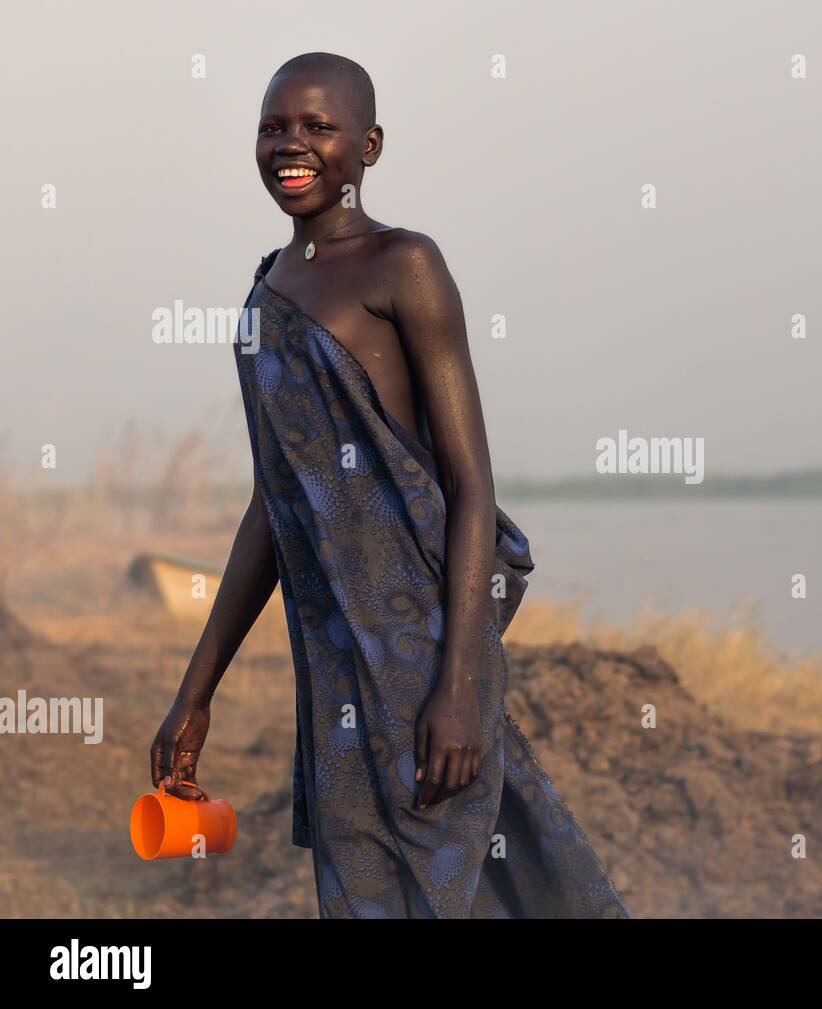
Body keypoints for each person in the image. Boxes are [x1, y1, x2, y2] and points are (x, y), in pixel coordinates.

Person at [149, 52, 629, 918]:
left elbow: (470, 481)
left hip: (426, 640)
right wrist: (195, 693)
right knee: (370, 886)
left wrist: (460, 686)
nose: (290, 144)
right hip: (331, 659)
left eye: (317, 127)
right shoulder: (265, 293)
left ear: (367, 145)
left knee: (466, 869)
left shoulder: (403, 264)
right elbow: (275, 502)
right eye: (272, 127)